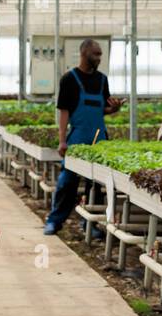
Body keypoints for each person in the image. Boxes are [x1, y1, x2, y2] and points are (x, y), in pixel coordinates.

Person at [43, 39, 124, 236]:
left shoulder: (102, 80)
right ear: (84, 53)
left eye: (100, 54)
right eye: (96, 54)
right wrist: (62, 140)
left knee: (95, 184)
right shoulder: (69, 79)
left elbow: (101, 109)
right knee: (67, 180)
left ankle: (89, 224)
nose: (99, 58)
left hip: (99, 138)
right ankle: (55, 220)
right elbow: (64, 112)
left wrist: (114, 109)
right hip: (78, 136)